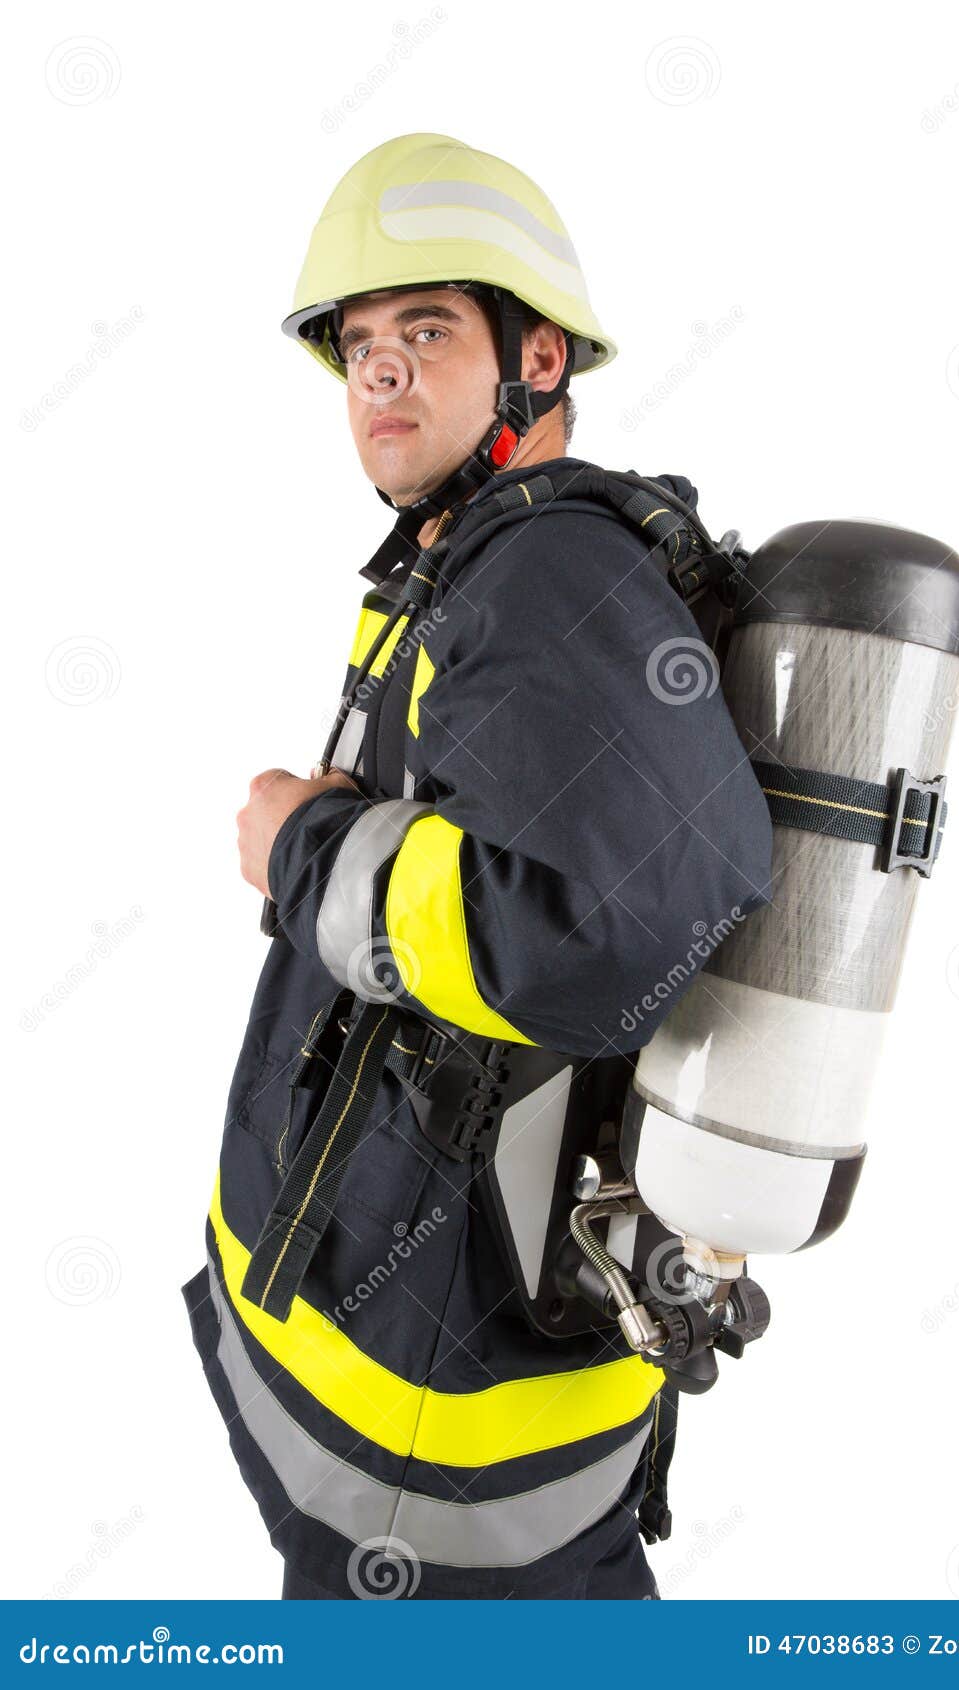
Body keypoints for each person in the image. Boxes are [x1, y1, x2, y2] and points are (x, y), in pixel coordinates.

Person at [180, 133, 772, 1601]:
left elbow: (608, 924)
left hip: (433, 1473)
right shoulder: (472, 560)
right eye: (359, 343)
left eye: (425, 330)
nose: (377, 371)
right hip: (406, 1411)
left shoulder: (550, 572)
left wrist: (301, 847)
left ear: (539, 355)